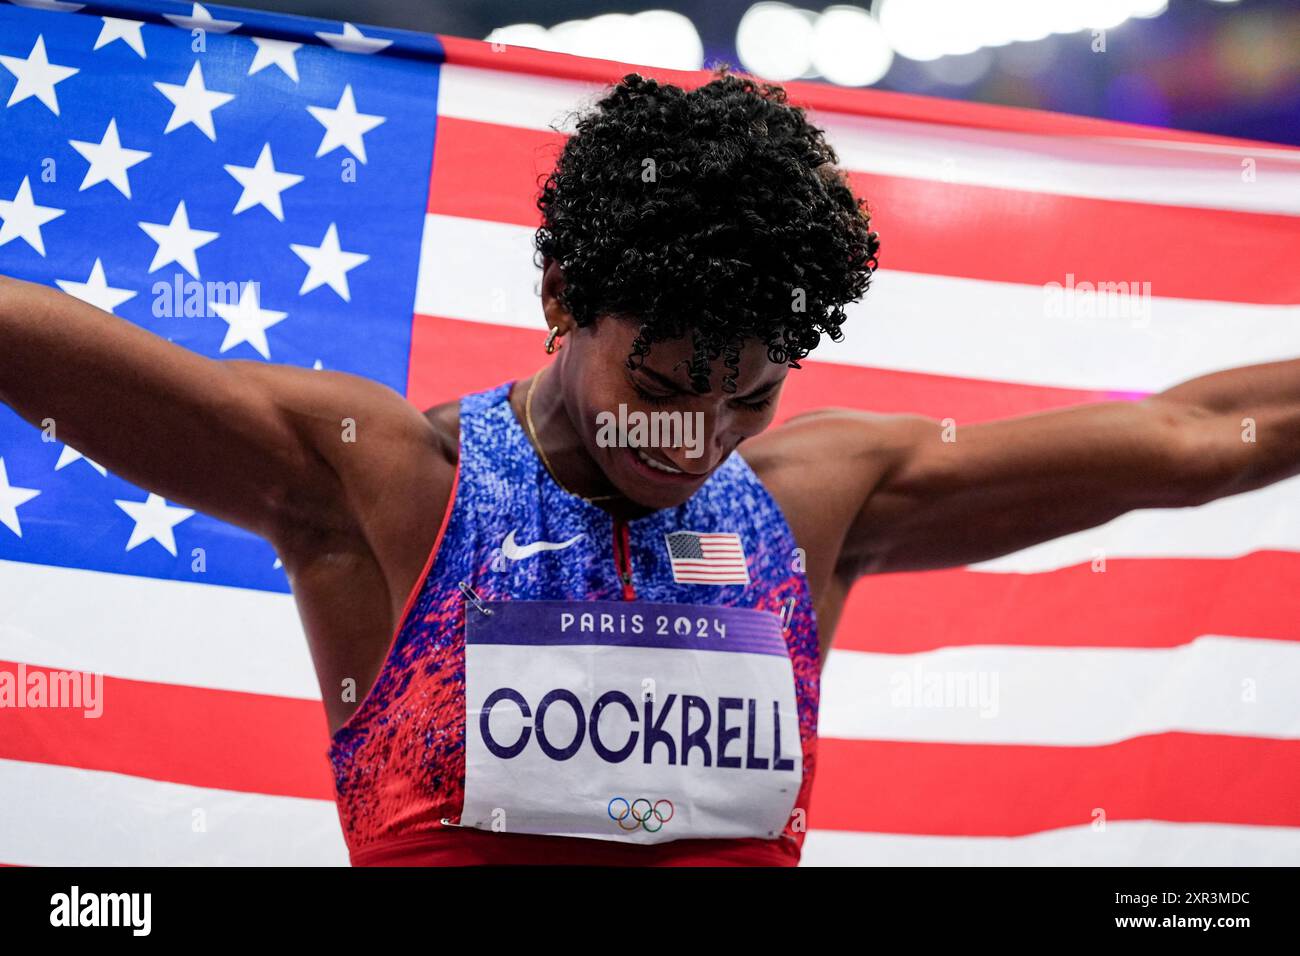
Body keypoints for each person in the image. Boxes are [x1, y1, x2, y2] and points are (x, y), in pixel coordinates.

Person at [1, 71, 1296, 867]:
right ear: (564, 294)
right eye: (666, 387)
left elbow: (1186, 441)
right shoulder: (389, 481)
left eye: (752, 394)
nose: (701, 438)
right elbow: (47, 351)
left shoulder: (810, 504)